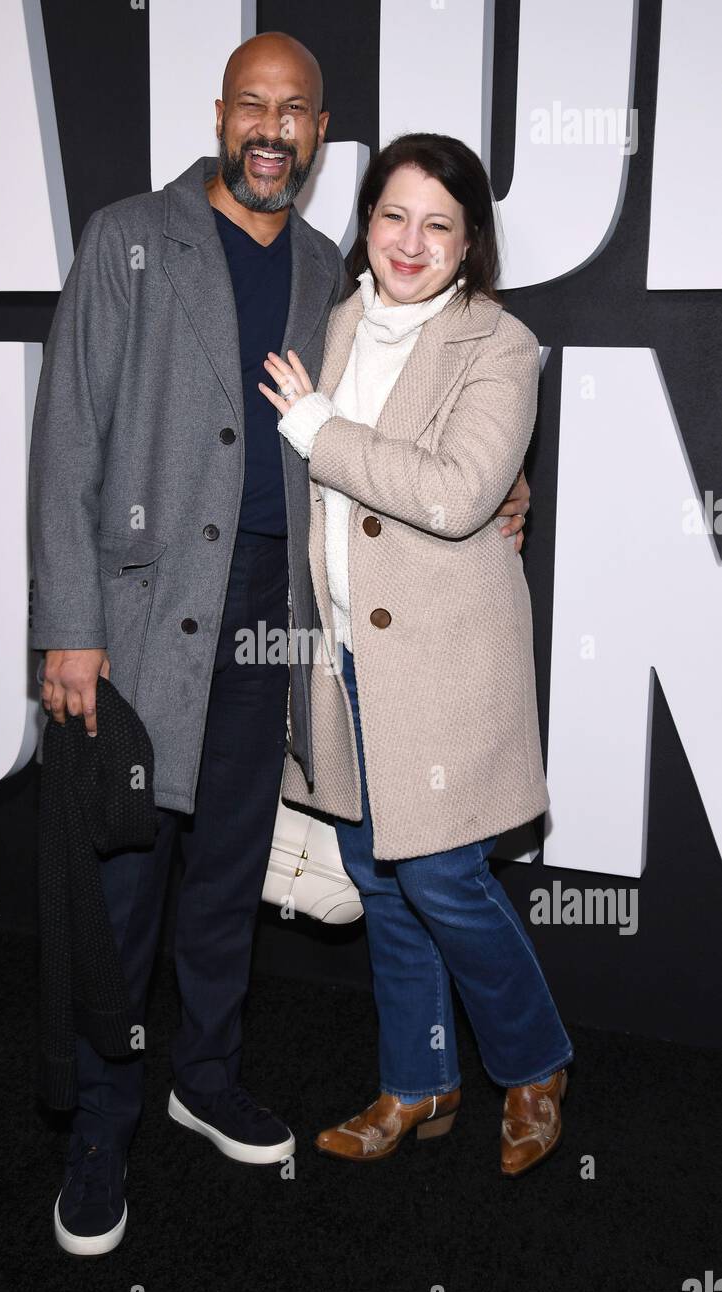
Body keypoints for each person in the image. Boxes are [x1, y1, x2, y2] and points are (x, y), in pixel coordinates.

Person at [30, 36, 532, 1257]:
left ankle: (204, 1077)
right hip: (142, 623)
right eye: (251, 106)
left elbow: (413, 432)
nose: (271, 128)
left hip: (280, 623)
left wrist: (506, 498)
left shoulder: (332, 276)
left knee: (226, 878)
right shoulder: (124, 239)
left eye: (294, 111)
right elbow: (66, 446)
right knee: (123, 887)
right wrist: (70, 631)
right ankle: (103, 1120)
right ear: (219, 116)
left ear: (319, 136)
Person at [263, 132, 572, 1178]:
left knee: (441, 873)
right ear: (366, 221)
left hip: (441, 666)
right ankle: (417, 1079)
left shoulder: (497, 343)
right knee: (375, 875)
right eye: (394, 214)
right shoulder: (337, 321)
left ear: (468, 241)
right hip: (342, 658)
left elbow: (452, 494)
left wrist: (318, 426)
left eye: (439, 223)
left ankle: (533, 1062)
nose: (411, 240)